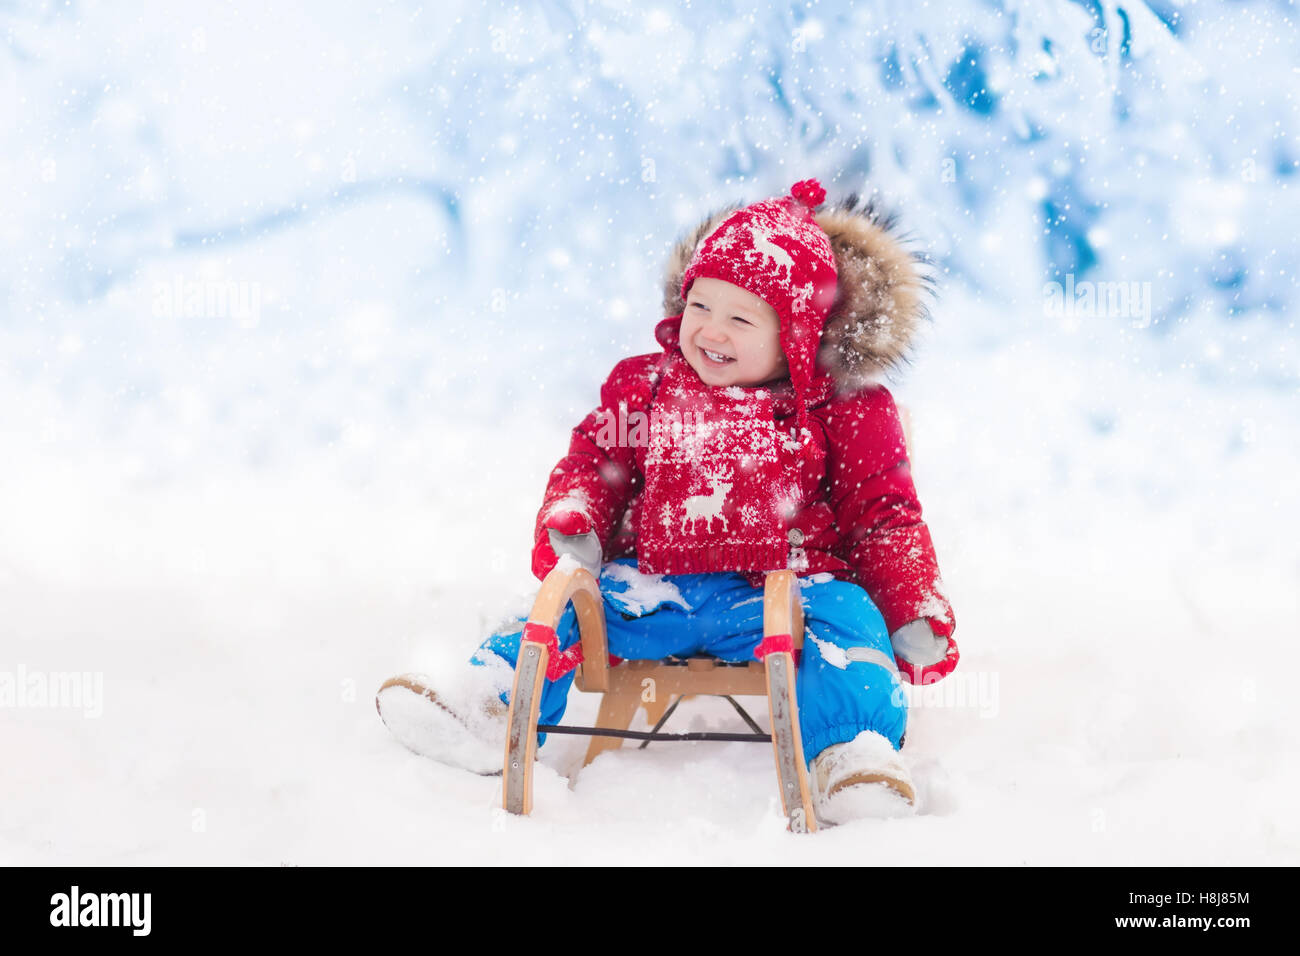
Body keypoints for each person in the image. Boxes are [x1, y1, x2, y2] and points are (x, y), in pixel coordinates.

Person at [379, 178, 959, 824]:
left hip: (791, 591)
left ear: (795, 336)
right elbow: (596, 461)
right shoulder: (646, 388)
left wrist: (910, 604)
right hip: (653, 589)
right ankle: (489, 705)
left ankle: (852, 750)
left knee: (849, 624)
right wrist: (579, 514)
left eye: (740, 318)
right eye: (699, 305)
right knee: (560, 606)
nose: (710, 329)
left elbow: (884, 514)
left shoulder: (844, 409)